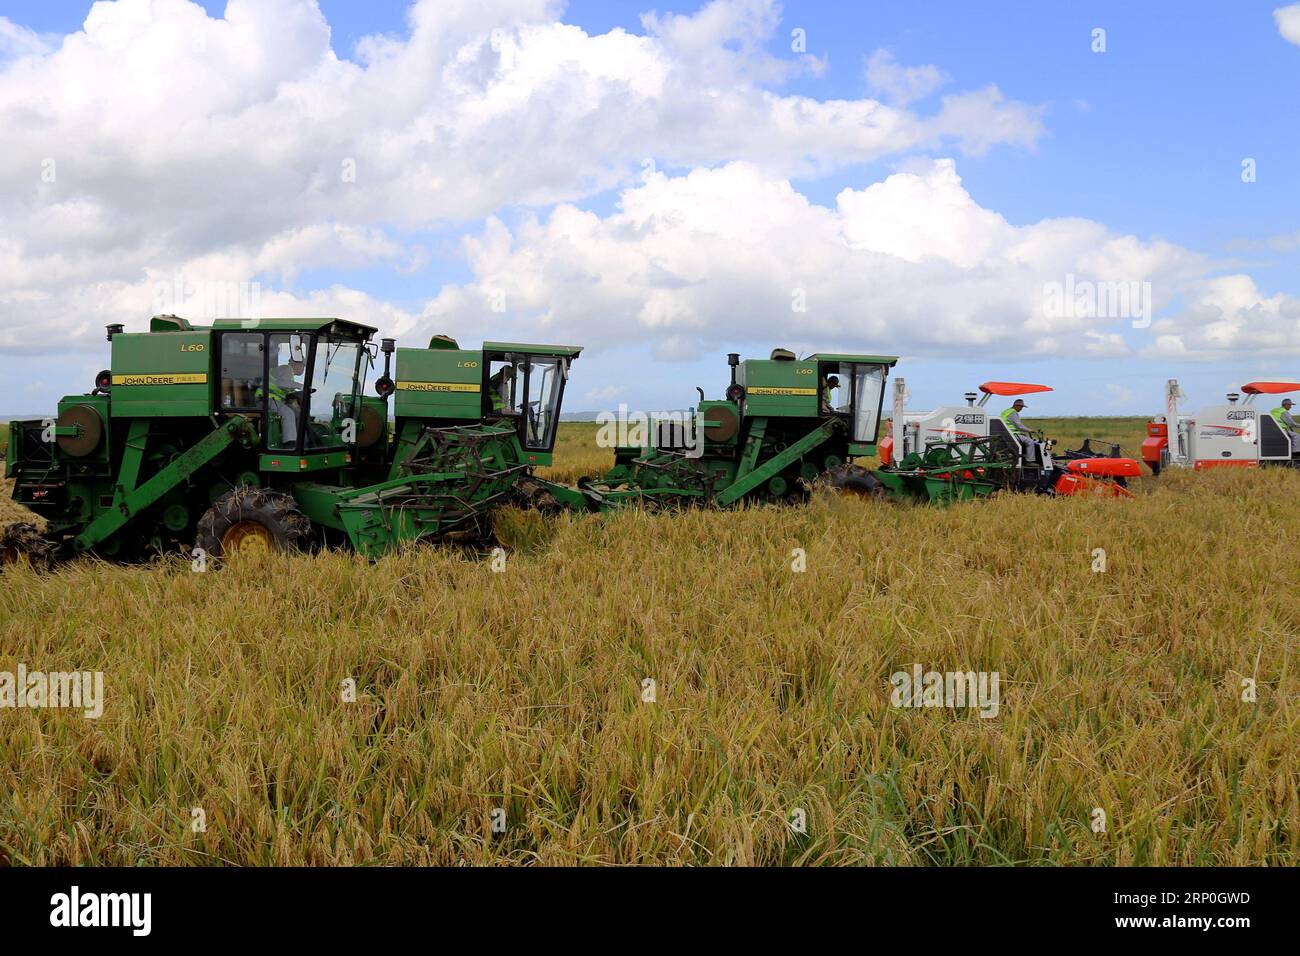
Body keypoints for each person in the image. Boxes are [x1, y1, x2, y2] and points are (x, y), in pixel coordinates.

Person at [1001, 398, 1037, 464]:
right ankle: (1030, 461)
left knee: (1024, 437)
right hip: (1012, 434)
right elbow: (1019, 426)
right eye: (1021, 407)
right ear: (1016, 405)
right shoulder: (1012, 413)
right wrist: (1030, 430)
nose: (1021, 409)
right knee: (1030, 442)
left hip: (1007, 433)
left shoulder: (1007, 411)